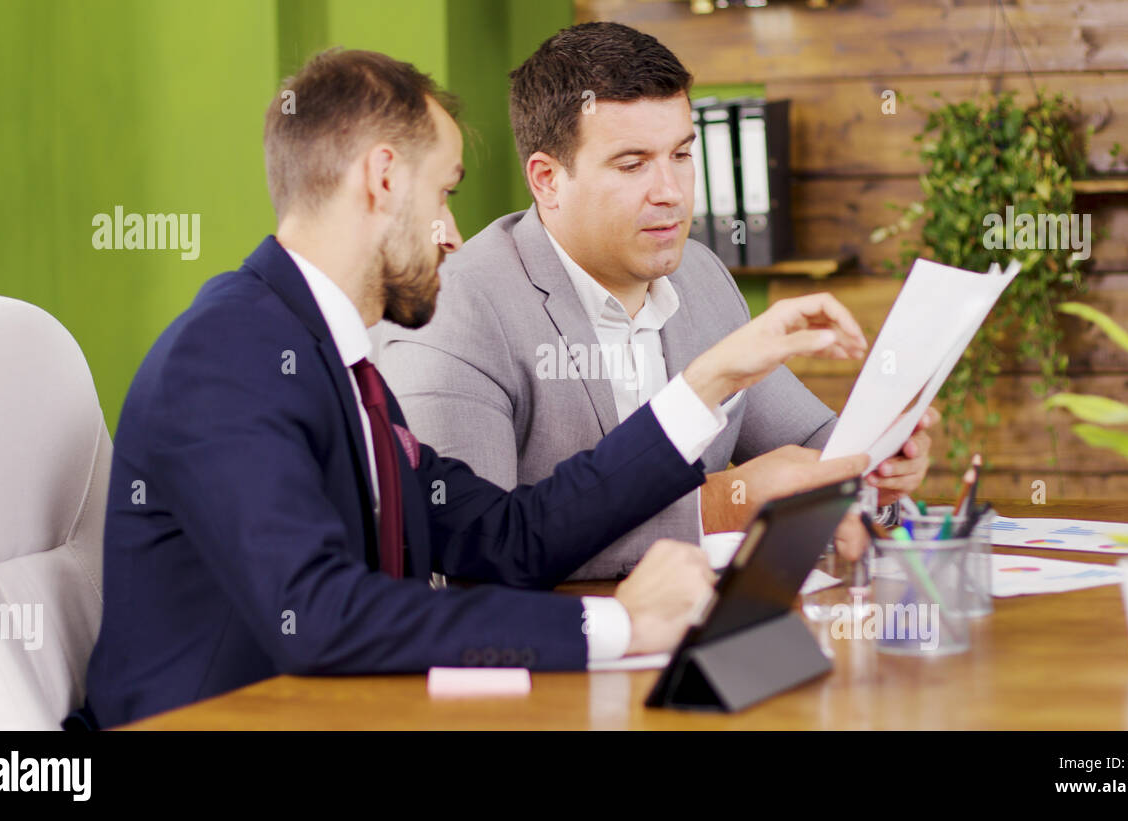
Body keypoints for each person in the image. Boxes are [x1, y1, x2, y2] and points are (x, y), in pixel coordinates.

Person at [73, 48, 870, 729]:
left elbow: (512, 534)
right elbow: (319, 616)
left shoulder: (334, 363)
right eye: (445, 192)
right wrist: (615, 620)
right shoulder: (230, 353)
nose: (454, 233)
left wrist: (708, 381)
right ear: (384, 179)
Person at [380, 22, 936, 580]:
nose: (670, 191)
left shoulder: (701, 274)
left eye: (681, 155)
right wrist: (720, 508)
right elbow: (478, 554)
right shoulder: (456, 308)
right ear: (547, 180)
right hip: (557, 653)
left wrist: (877, 461)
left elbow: (818, 446)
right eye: (633, 164)